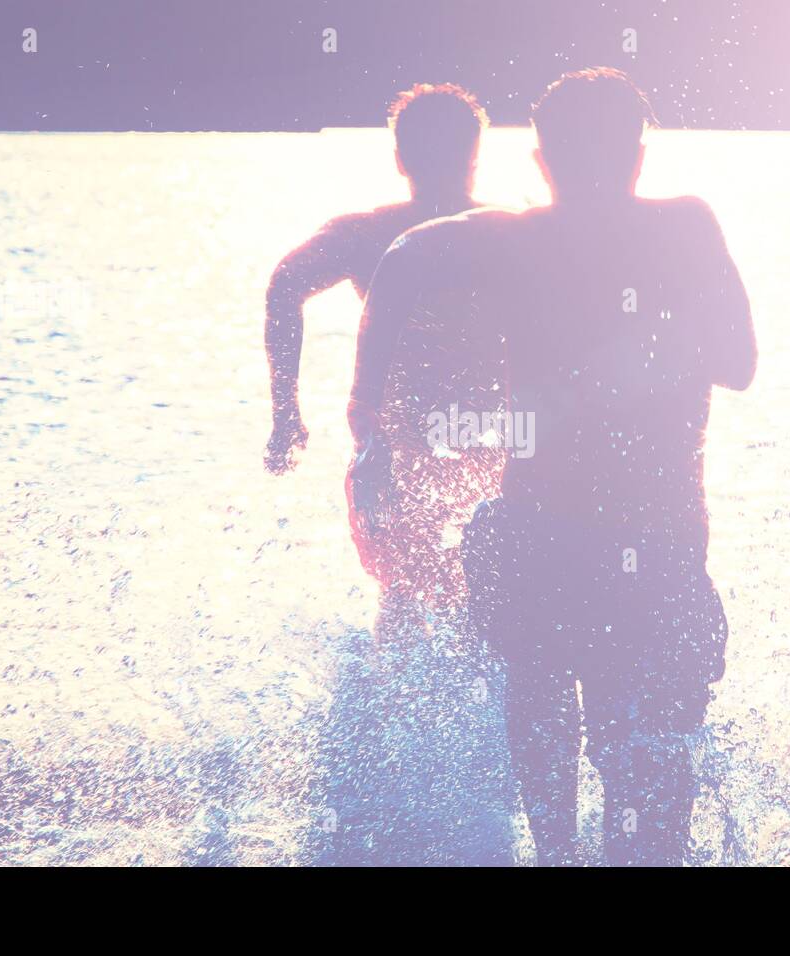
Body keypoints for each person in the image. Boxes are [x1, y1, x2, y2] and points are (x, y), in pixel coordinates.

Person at [349, 67, 756, 865]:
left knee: (544, 697)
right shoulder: (686, 226)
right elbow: (738, 364)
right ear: (637, 155)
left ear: (541, 161)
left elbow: (397, 262)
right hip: (655, 540)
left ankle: (557, 852)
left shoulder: (510, 236)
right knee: (646, 759)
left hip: (542, 532)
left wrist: (368, 431)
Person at [264, 83, 487, 475]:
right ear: (475, 156)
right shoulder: (510, 233)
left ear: (400, 160)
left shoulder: (364, 236)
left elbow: (284, 286)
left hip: (395, 447)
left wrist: (286, 412)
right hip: (493, 439)